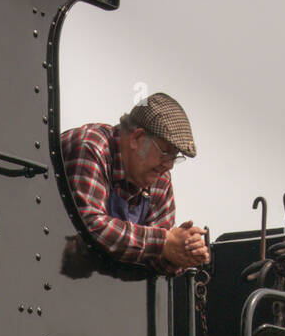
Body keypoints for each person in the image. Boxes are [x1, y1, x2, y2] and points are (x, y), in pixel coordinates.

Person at [61, 92, 209, 272]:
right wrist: (165, 242)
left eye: (174, 156)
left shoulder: (159, 178)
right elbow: (89, 227)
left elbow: (157, 259)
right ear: (136, 138)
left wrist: (182, 253)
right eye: (165, 152)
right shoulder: (91, 147)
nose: (169, 165)